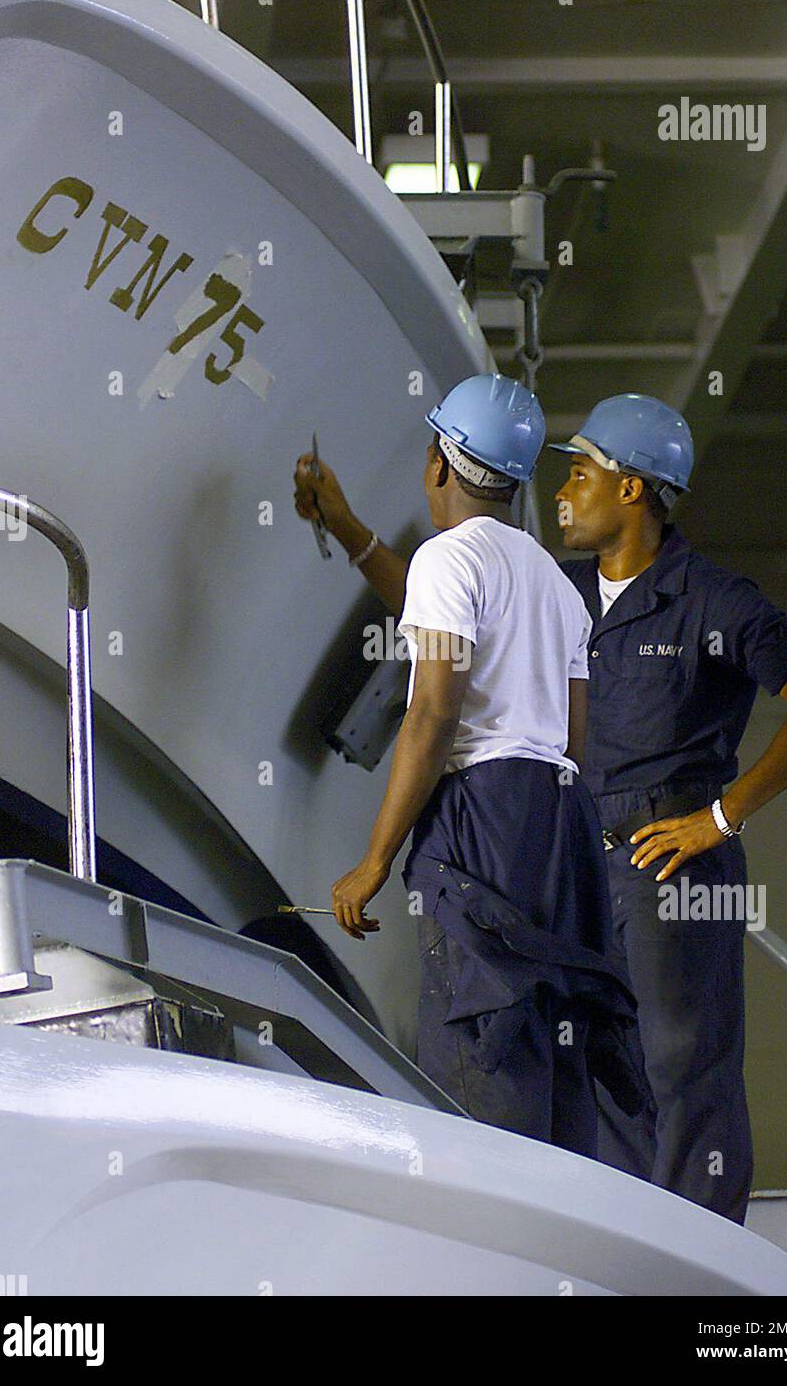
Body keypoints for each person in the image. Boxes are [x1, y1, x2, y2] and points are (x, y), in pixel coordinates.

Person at [294, 374, 646, 1157]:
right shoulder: (561, 589)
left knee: (480, 1039)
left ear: (439, 465)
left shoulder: (445, 561)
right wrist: (349, 530)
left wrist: (374, 860)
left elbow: (433, 712)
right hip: (561, 820)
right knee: (556, 1042)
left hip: (484, 812)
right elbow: (573, 742)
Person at [549, 393, 787, 1222]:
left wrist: (722, 817)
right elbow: (447, 606)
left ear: (633, 491)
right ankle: (633, 1256)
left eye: (581, 474)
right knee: (606, 1063)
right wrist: (356, 537)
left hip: (671, 860)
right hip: (585, 859)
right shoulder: (562, 593)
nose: (561, 493)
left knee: (685, 1069)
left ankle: (704, 1274)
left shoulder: (714, 600)